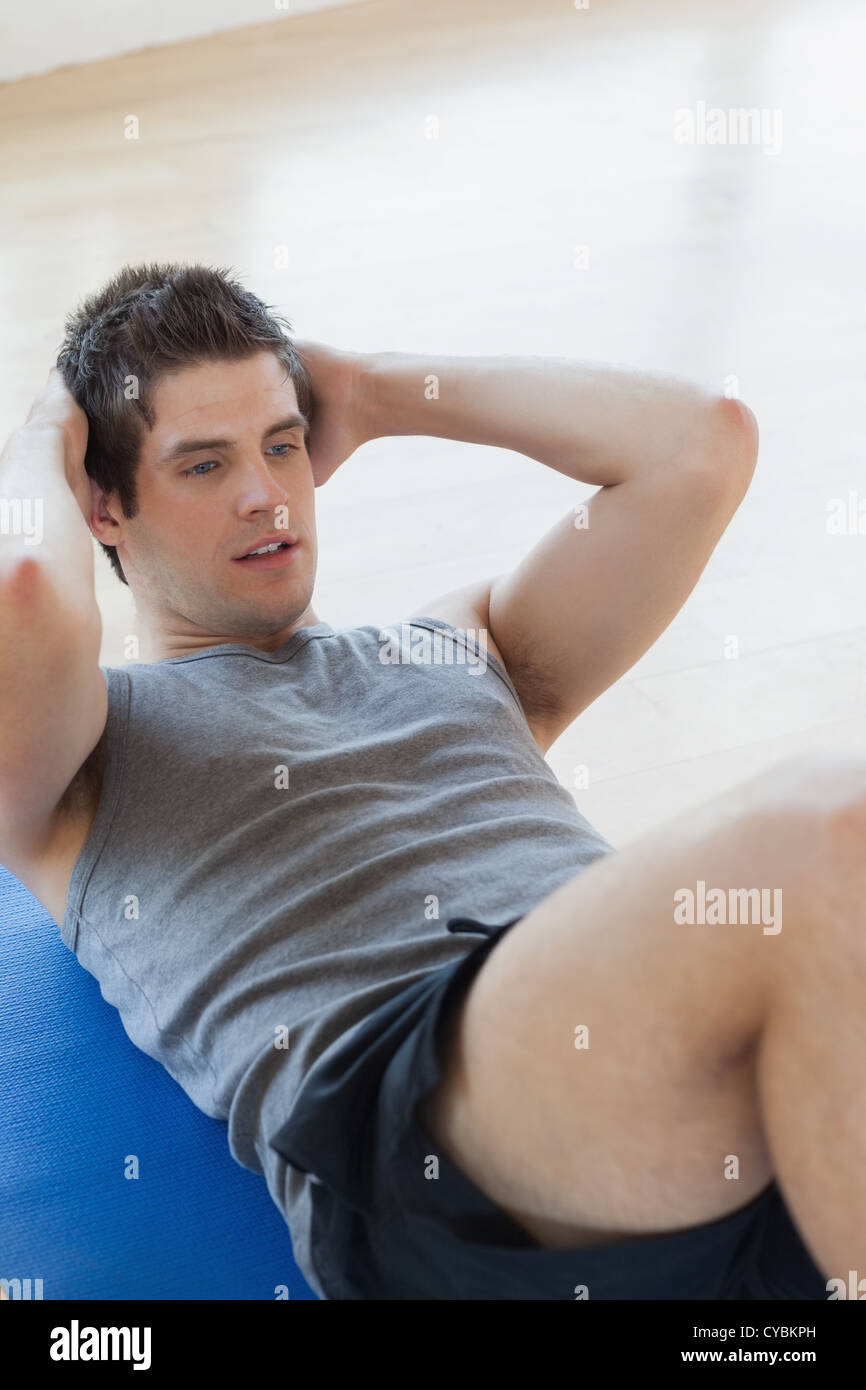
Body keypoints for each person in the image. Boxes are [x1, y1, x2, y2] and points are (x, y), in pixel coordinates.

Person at [0, 263, 857, 1300]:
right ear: (104, 502)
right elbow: (26, 593)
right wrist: (52, 423)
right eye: (202, 465)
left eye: (281, 443)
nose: (265, 493)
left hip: (659, 1128)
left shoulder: (458, 645)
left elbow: (701, 443)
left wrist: (372, 390)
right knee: (825, 834)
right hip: (406, 1140)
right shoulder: (82, 755)